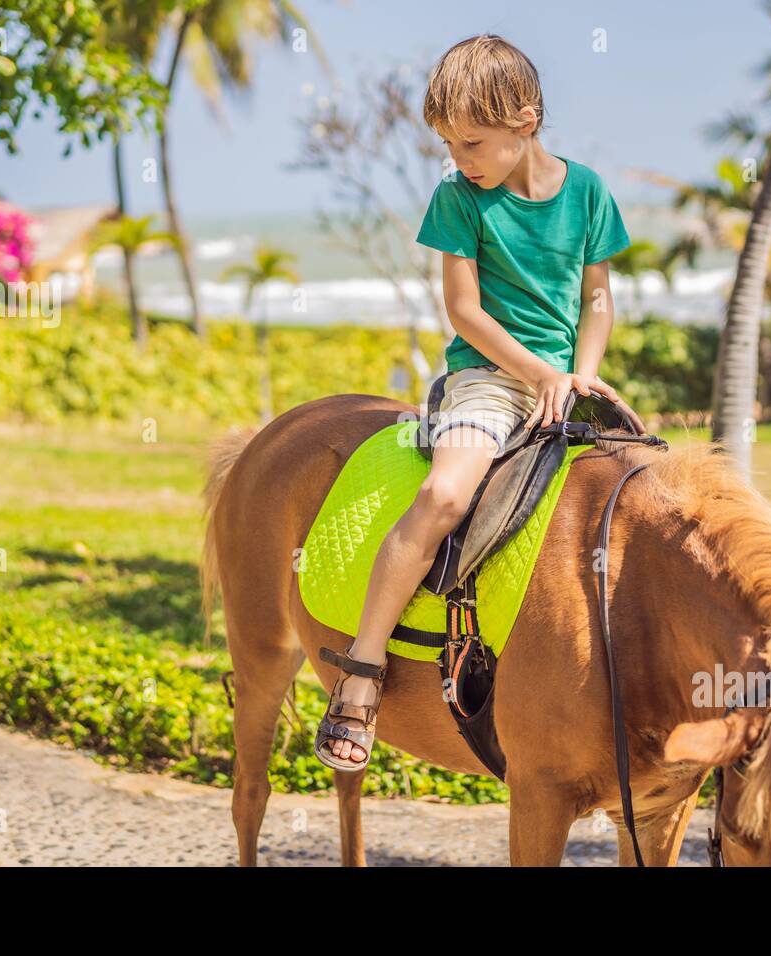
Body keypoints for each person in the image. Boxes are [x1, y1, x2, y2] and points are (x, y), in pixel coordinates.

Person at [314, 33, 645, 771]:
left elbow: (598, 299)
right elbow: (465, 312)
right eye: (448, 142)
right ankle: (361, 674)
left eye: (472, 141)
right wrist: (539, 374)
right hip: (489, 380)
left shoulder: (587, 192)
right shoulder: (458, 198)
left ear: (526, 120)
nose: (458, 156)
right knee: (443, 493)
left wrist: (582, 373)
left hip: (568, 381)